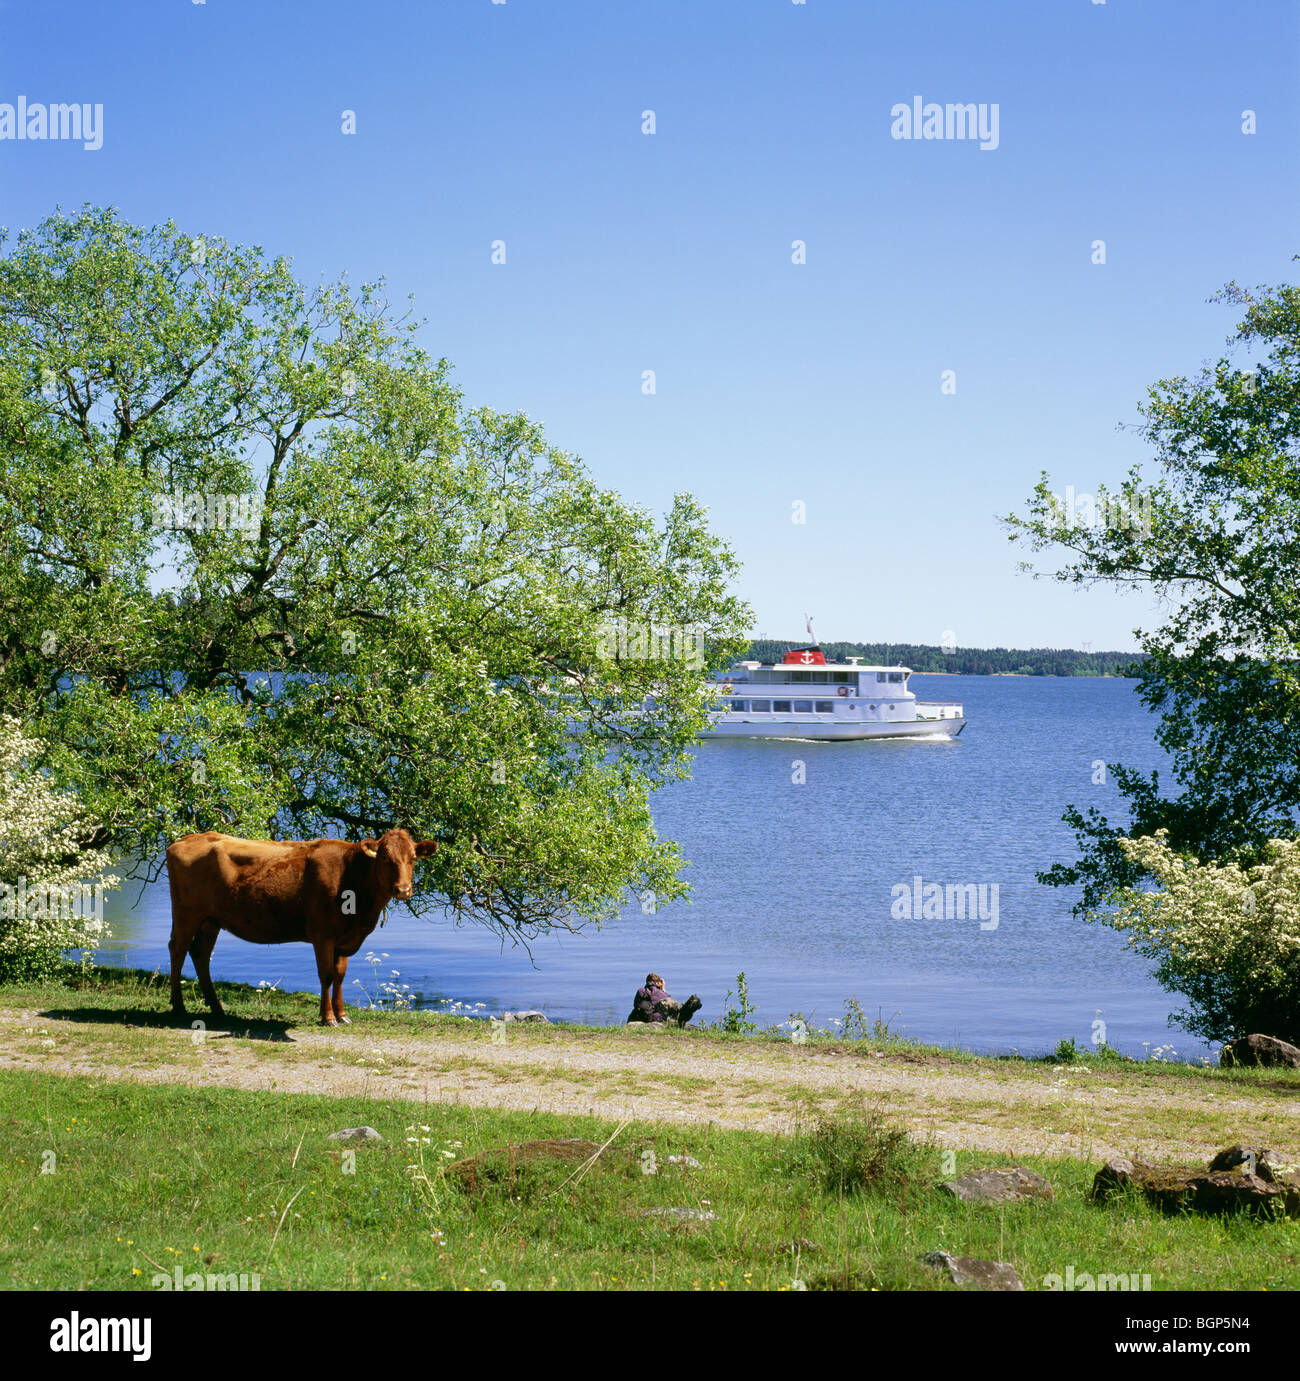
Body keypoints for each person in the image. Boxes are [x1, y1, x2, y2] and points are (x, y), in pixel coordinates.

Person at [626, 972, 702, 1027]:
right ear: (659, 983)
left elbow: (635, 1004)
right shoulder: (663, 995)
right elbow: (671, 1005)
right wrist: (663, 989)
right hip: (657, 1020)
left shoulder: (641, 991)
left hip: (640, 1018)